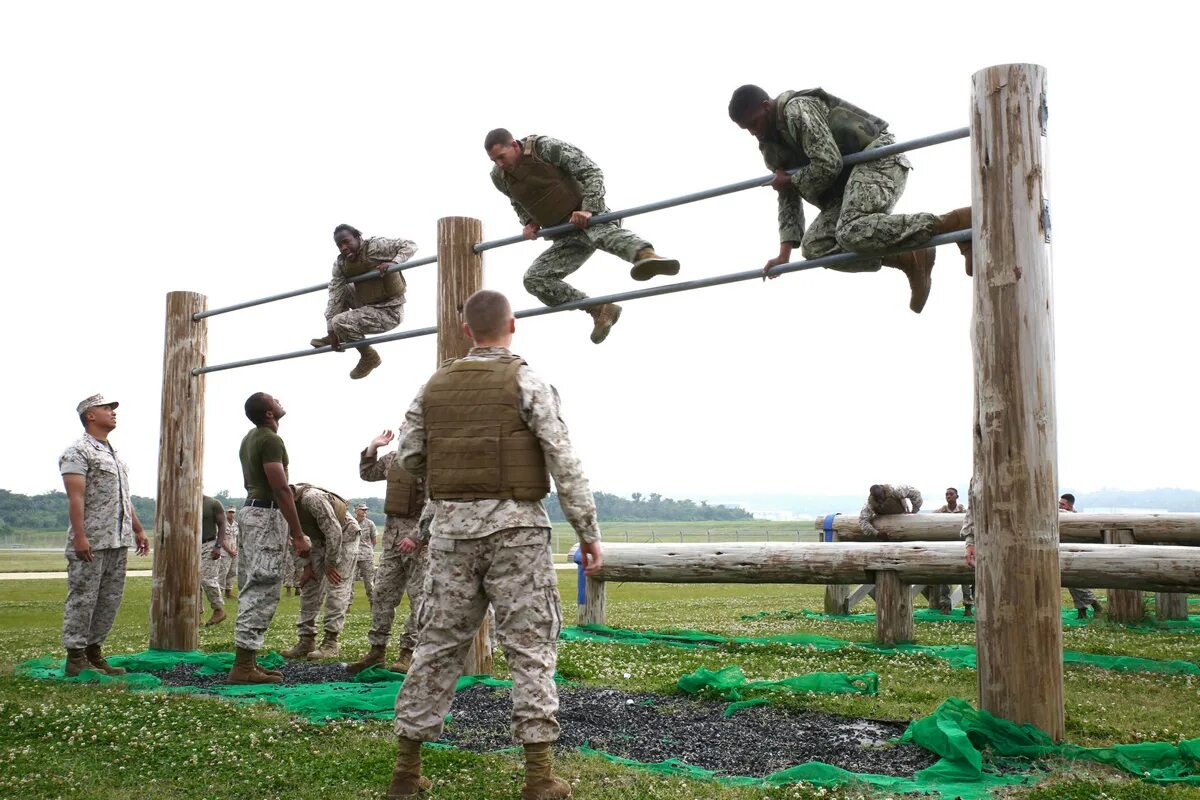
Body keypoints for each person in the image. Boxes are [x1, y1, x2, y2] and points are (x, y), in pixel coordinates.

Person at [386, 289, 603, 800]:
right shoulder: (527, 380)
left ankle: (406, 773)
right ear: (513, 324)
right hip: (517, 532)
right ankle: (538, 778)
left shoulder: (433, 385)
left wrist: (456, 483)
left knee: (436, 646)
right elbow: (562, 460)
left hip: (451, 534)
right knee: (530, 650)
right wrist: (588, 532)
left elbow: (409, 456)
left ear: (467, 330)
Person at [726, 85, 973, 313]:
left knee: (850, 230)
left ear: (766, 106)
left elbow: (828, 163)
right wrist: (784, 254)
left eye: (754, 122)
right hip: (846, 188)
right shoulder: (770, 147)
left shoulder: (796, 110)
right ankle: (909, 258)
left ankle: (955, 222)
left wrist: (790, 181)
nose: (753, 132)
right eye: (746, 128)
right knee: (816, 247)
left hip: (877, 158)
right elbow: (787, 196)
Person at [484, 128, 681, 345]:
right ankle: (599, 309)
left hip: (589, 217)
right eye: (494, 160)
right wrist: (529, 223)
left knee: (602, 234)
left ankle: (645, 256)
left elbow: (591, 171)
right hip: (565, 234)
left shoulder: (544, 148)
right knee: (535, 279)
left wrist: (589, 208)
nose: (500, 164)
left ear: (514, 145)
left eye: (501, 157)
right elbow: (517, 201)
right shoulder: (499, 176)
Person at [58, 395, 150, 677]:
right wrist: (80, 537)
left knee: (109, 599)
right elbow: (76, 497)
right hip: (92, 541)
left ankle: (93, 652)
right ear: (90, 415)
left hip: (117, 540)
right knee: (83, 598)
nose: (112, 412)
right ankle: (75, 658)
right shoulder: (77, 451)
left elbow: (124, 497)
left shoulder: (113, 454)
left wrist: (137, 528)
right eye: (106, 408)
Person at [230, 392, 311, 685]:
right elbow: (280, 489)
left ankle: (248, 661)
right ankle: (242, 667)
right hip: (266, 515)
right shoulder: (270, 440)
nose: (280, 401)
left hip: (252, 511)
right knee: (262, 587)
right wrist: (298, 534)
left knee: (254, 585)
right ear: (268, 413)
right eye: (275, 400)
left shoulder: (249, 438)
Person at [347, 429, 429, 675]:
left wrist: (418, 537)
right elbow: (367, 474)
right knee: (382, 594)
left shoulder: (432, 461)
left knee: (420, 599)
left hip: (419, 543)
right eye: (402, 427)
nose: (404, 431)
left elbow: (437, 503)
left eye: (409, 427)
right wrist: (373, 447)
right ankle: (377, 651)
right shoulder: (393, 459)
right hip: (393, 540)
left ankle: (408, 652)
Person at [310, 224, 419, 380]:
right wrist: (330, 330)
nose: (343, 248)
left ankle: (369, 357)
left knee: (339, 321)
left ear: (358, 237)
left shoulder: (376, 247)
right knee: (341, 290)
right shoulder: (341, 264)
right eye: (339, 245)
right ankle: (339, 332)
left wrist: (394, 263)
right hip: (366, 305)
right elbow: (334, 294)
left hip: (389, 311)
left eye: (346, 242)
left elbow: (410, 245)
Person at [279, 483, 359, 660]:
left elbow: (334, 532)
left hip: (344, 535)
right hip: (319, 539)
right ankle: (306, 640)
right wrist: (306, 566)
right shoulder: (280, 505)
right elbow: (290, 540)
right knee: (310, 586)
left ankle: (331, 642)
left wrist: (330, 564)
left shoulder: (312, 499)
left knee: (336, 585)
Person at [1061, 493, 1104, 620]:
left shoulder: (1074, 517)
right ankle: (1082, 611)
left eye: (1062, 504)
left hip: (1076, 555)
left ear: (1070, 505)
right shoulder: (1064, 515)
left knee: (1076, 583)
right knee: (1071, 583)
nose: (1060, 506)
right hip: (1067, 555)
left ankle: (1095, 605)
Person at [934, 487, 971, 616]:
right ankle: (945, 605)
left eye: (951, 494)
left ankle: (968, 606)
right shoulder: (940, 512)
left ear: (957, 496)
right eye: (947, 494)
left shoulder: (963, 511)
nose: (948, 496)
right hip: (946, 549)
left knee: (965, 578)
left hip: (962, 547)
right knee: (945, 577)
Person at [200, 494, 235, 626]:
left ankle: (218, 609)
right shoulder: (185, 502)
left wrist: (218, 546)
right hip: (191, 545)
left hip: (209, 543)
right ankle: (197, 615)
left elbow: (222, 525)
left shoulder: (213, 503)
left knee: (207, 578)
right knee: (193, 582)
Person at [858, 484, 923, 537]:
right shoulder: (870, 504)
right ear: (873, 496)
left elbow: (916, 493)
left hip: (903, 515)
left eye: (881, 496)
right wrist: (876, 534)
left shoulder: (896, 491)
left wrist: (914, 511)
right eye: (877, 498)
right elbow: (863, 521)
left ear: (883, 491)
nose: (880, 500)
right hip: (884, 522)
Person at [350, 503, 377, 607]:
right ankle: (348, 605)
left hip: (366, 556)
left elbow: (373, 540)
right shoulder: (350, 523)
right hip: (352, 555)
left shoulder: (370, 524)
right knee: (350, 581)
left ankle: (373, 604)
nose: (364, 512)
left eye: (366, 510)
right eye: (362, 510)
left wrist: (368, 550)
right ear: (356, 511)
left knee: (369, 582)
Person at [221, 507, 239, 597]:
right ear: (226, 513)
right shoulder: (222, 524)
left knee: (233, 572)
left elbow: (238, 538)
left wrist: (236, 550)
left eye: (233, 512)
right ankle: (220, 592)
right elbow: (221, 539)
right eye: (230, 512)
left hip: (234, 552)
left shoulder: (236, 525)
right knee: (223, 572)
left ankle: (228, 591)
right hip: (224, 552)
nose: (231, 514)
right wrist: (229, 550)